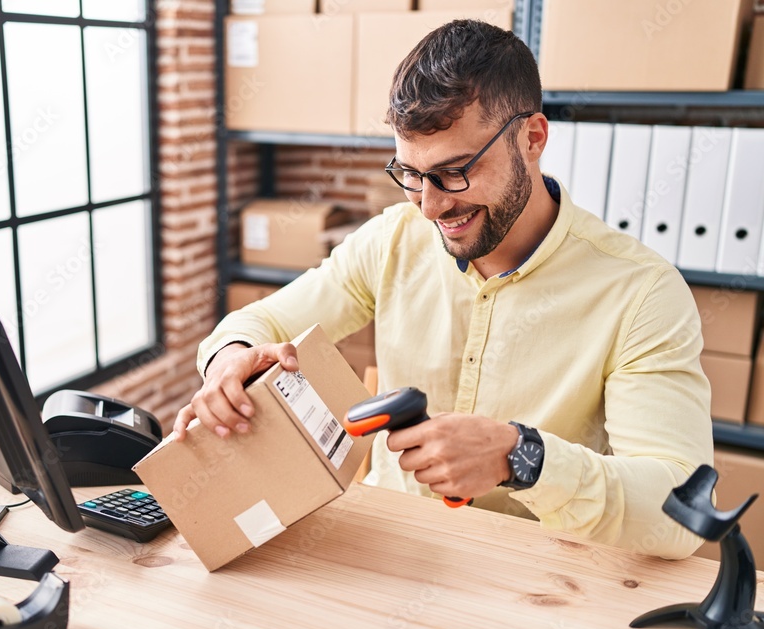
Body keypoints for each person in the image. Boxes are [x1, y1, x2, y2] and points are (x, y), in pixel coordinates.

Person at [173, 19, 712, 559]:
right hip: (387, 547)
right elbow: (257, 324)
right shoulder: (393, 239)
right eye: (410, 173)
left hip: (540, 574)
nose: (429, 206)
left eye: (455, 172)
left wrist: (522, 458)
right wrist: (229, 359)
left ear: (533, 138)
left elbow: (684, 514)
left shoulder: (642, 293)